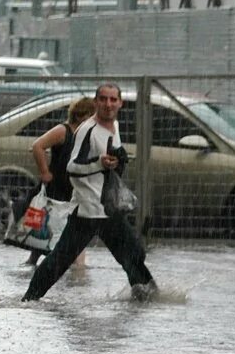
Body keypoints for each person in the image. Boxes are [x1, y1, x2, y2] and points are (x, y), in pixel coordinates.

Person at [24, 83, 158, 301]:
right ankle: (29, 299)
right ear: (96, 102)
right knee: (60, 260)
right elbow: (72, 167)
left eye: (113, 100)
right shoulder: (87, 129)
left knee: (133, 253)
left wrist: (116, 162)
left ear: (120, 103)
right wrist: (99, 163)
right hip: (87, 211)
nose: (108, 104)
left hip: (106, 208)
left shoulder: (114, 126)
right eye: (103, 99)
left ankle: (147, 296)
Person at [21, 96, 95, 267]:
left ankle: (77, 266)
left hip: (77, 188)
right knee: (47, 224)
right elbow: (38, 146)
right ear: (79, 115)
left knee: (75, 227)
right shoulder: (63, 131)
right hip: (57, 187)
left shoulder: (89, 133)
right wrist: (44, 172)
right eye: (89, 116)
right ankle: (36, 261)